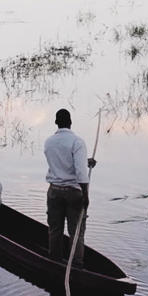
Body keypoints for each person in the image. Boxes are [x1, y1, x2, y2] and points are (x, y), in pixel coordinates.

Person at [43, 108, 97, 259]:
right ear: (71, 122)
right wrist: (85, 195)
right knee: (76, 232)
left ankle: (54, 260)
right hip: (74, 193)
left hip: (54, 191)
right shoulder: (77, 142)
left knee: (55, 230)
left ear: (56, 123)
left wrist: (86, 162)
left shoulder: (49, 142)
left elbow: (61, 163)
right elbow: (80, 172)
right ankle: (77, 264)